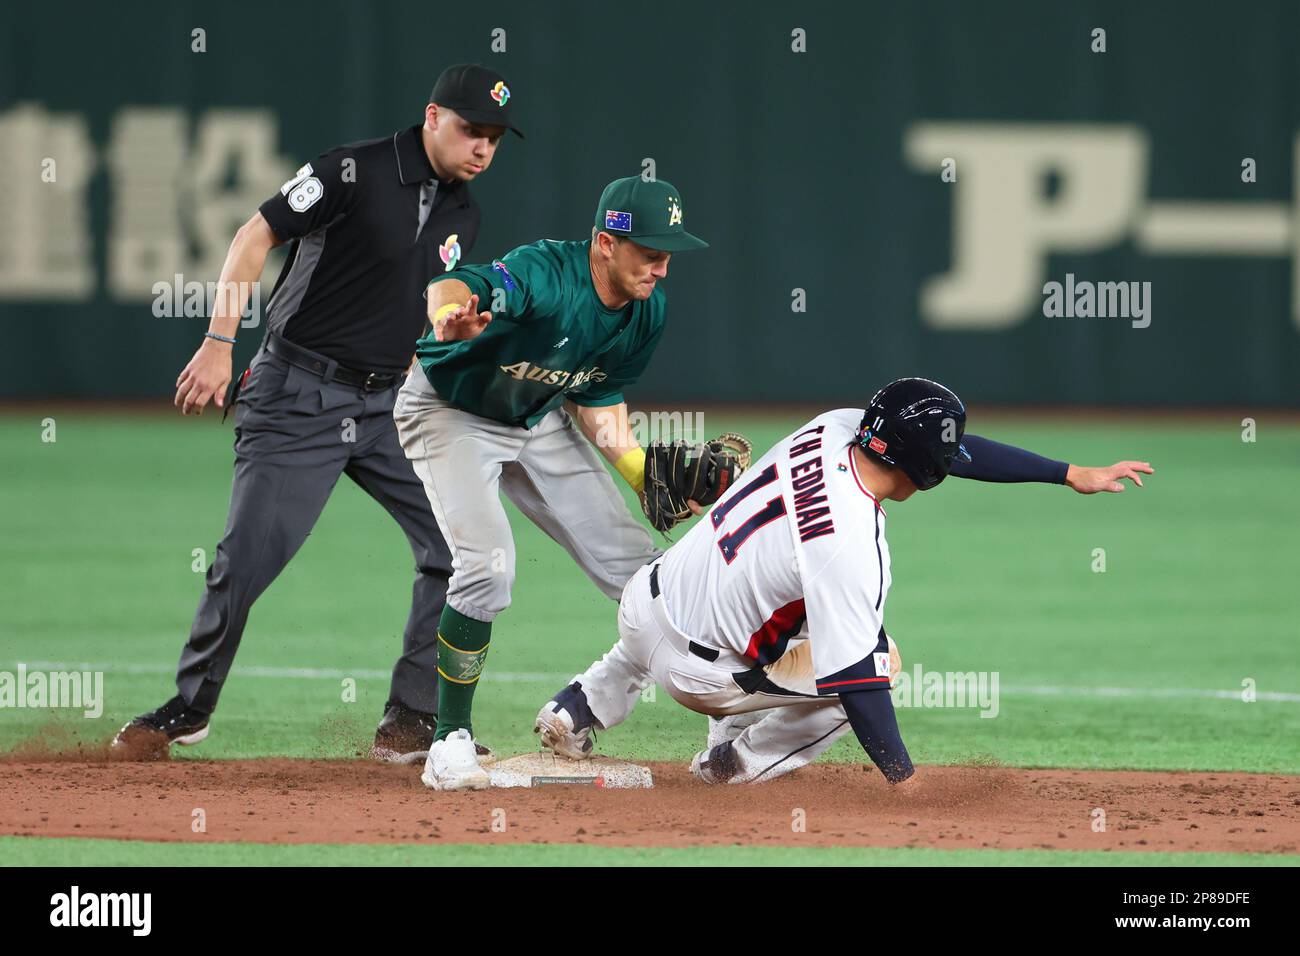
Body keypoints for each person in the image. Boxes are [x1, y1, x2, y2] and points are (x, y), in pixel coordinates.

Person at [111, 65, 521, 763]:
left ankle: (411, 721)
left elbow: (425, 305)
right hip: (300, 393)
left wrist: (453, 330)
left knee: (460, 552)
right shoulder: (352, 171)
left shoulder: (464, 214)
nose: (482, 147)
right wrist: (218, 342)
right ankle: (190, 707)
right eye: (470, 130)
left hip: (391, 403)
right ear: (432, 117)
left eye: (494, 138)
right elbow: (253, 236)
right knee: (247, 560)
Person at [535, 378, 1154, 784]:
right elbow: (857, 682)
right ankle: (733, 764)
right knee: (878, 660)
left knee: (756, 591)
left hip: (644, 601)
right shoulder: (854, 542)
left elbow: (943, 448)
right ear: (927, 476)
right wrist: (904, 780)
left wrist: (1066, 472)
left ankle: (577, 705)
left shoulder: (834, 425)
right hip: (699, 677)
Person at [393, 175, 718, 789]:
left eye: (668, 252)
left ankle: (585, 708)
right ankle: (449, 741)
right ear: (604, 243)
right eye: (649, 251)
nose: (661, 267)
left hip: (535, 414)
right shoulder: (545, 273)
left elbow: (596, 396)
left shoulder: (647, 311)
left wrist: (642, 474)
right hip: (449, 410)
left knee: (649, 576)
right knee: (487, 567)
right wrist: (447, 316)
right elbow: (454, 282)